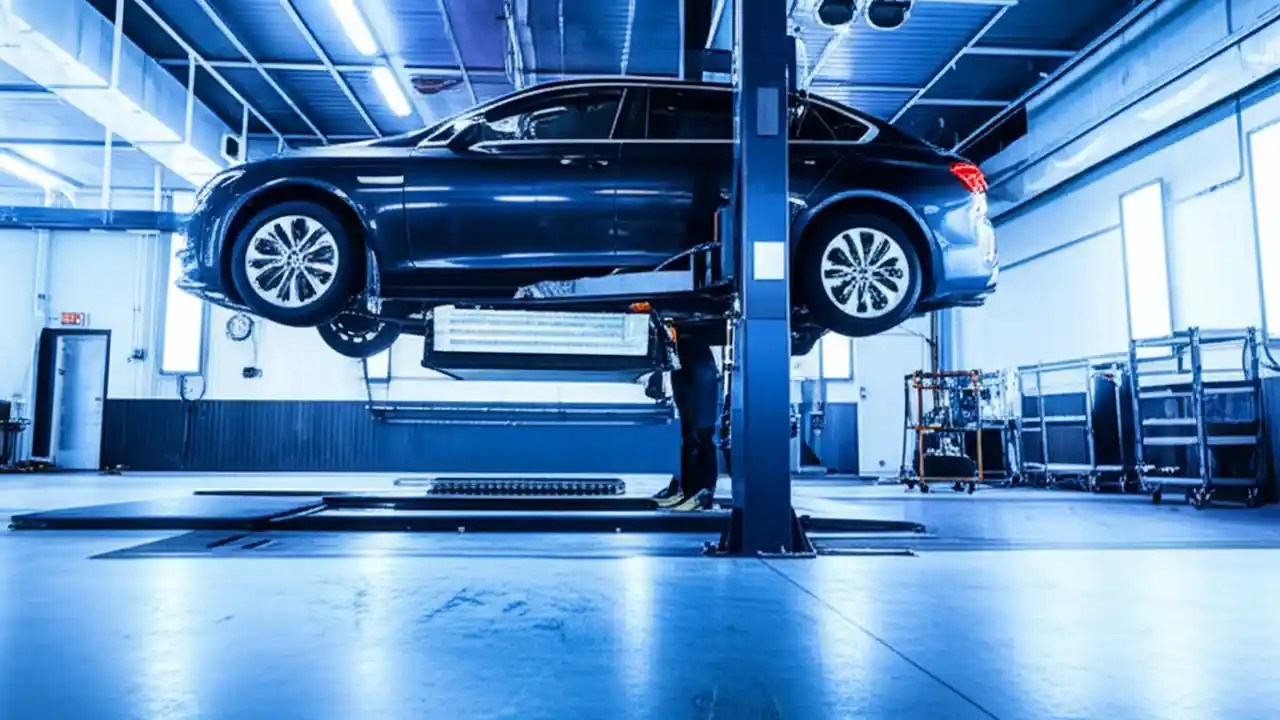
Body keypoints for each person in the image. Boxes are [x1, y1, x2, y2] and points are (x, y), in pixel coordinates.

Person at [652, 332, 720, 511]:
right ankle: (683, 490)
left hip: (697, 360)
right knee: (686, 432)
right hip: (682, 359)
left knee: (701, 433)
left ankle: (701, 494)